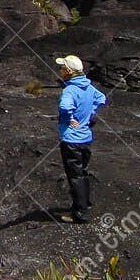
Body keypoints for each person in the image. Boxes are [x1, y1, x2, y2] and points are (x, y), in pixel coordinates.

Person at [54, 54, 106, 223]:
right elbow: (101, 98)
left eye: (62, 68)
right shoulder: (88, 87)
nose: (60, 71)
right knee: (82, 172)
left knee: (74, 176)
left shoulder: (69, 90)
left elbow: (65, 106)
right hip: (85, 138)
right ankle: (85, 204)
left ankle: (79, 213)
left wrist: (69, 119)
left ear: (68, 71)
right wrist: (90, 114)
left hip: (71, 139)